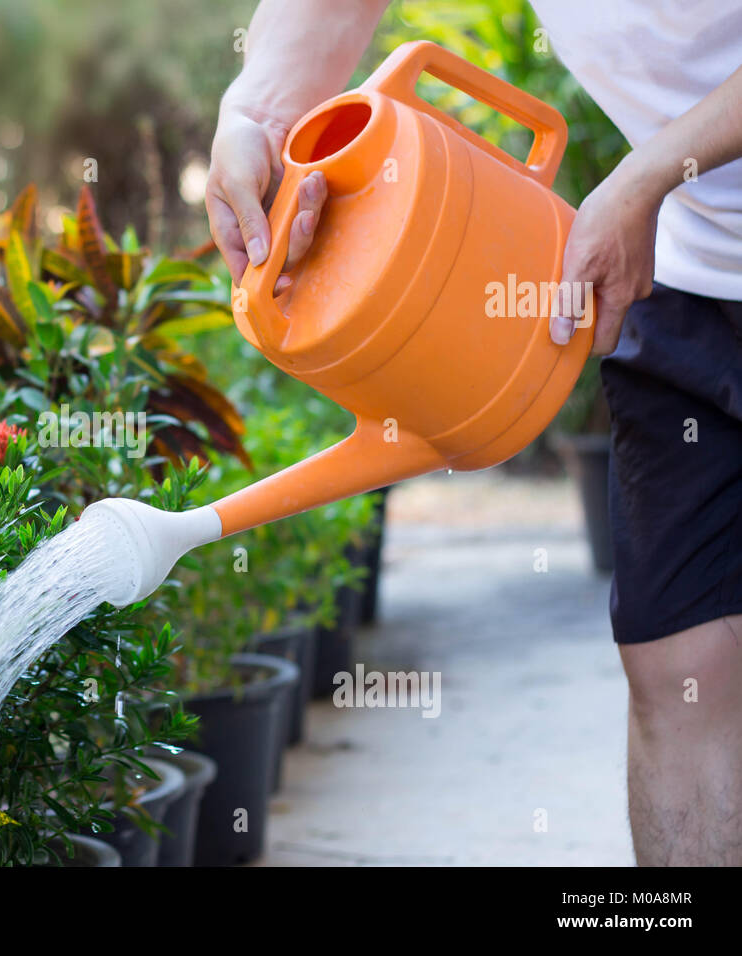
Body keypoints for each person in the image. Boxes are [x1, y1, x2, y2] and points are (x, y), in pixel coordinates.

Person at [208, 0, 742, 866]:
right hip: (683, 277)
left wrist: (644, 179)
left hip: (661, 206)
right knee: (673, 668)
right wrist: (256, 118)